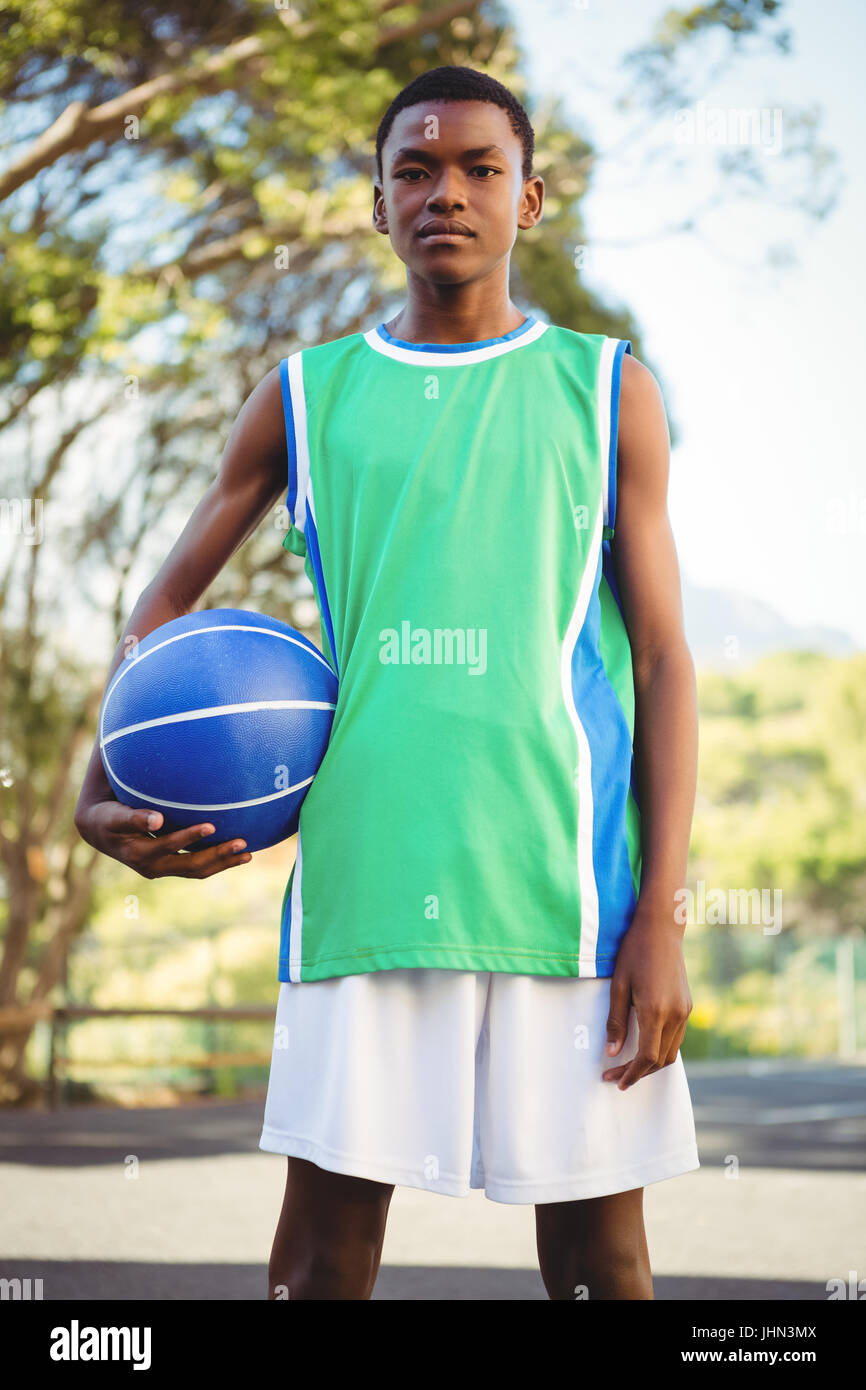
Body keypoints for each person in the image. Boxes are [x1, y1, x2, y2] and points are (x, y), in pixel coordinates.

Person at [75, 64, 700, 1302]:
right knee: (320, 1253)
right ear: (374, 203)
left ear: (530, 198)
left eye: (477, 167)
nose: (444, 192)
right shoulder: (305, 394)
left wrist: (661, 915)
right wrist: (107, 787)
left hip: (565, 884)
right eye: (412, 170)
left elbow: (665, 658)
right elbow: (159, 614)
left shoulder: (606, 388)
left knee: (598, 1256)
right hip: (365, 870)